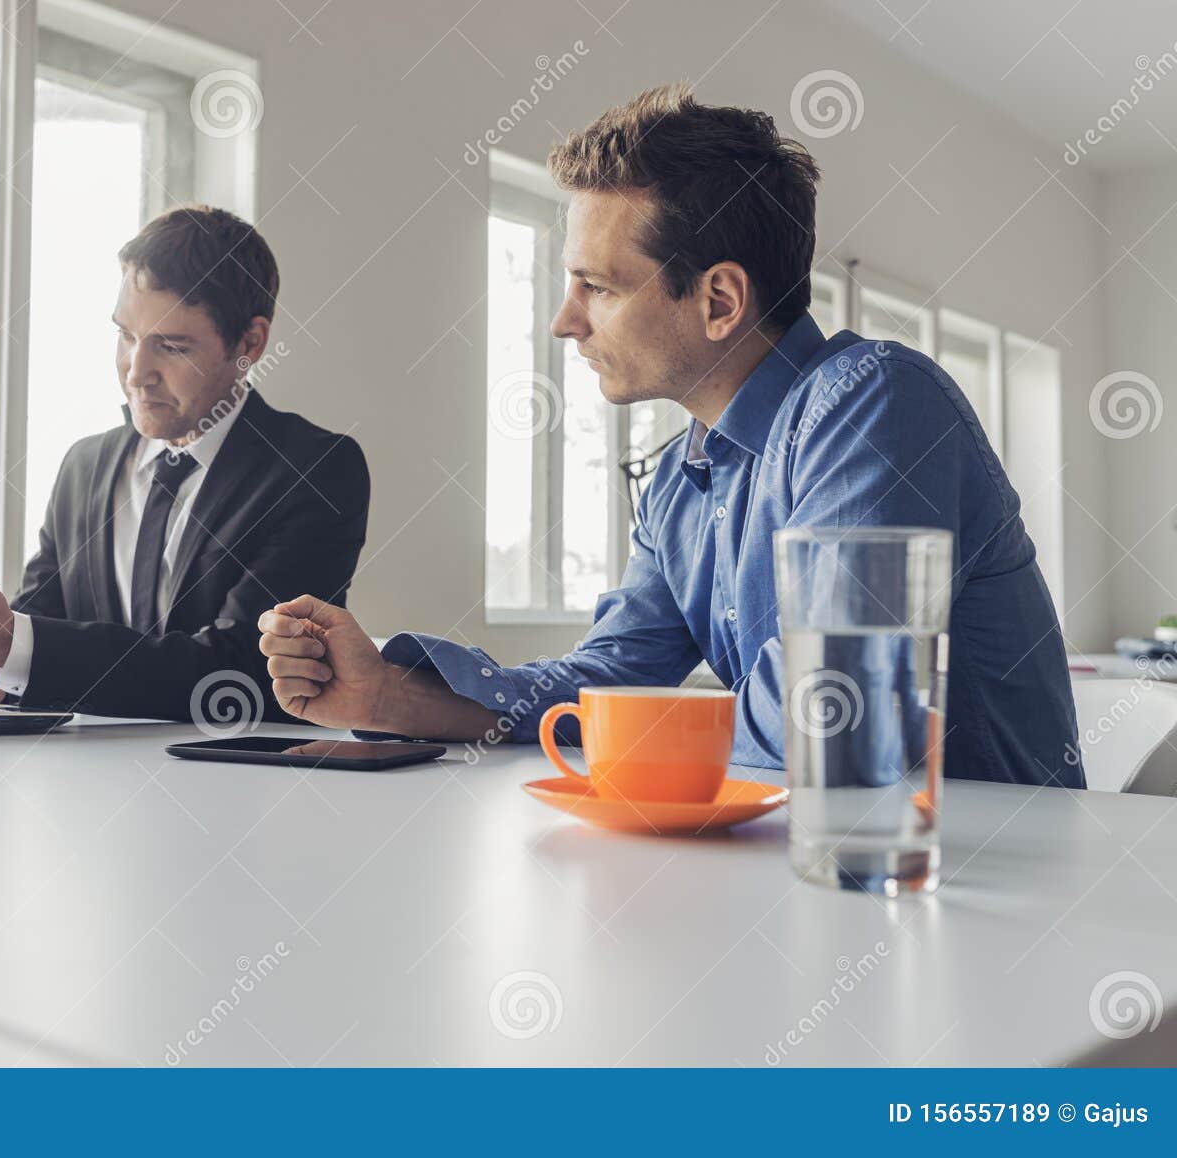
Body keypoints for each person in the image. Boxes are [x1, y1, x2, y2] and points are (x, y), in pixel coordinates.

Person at [257, 84, 1080, 787]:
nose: (563, 321)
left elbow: (828, 715)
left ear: (720, 300)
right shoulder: (682, 483)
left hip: (986, 887)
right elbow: (606, 683)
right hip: (814, 878)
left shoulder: (873, 404)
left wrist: (637, 737)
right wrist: (386, 698)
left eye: (597, 287)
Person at [0, 205, 370, 724]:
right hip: (84, 790)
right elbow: (42, 620)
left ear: (249, 342)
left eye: (172, 347)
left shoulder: (317, 469)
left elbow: (240, 673)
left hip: (235, 796)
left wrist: (9, 642)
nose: (136, 371)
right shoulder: (85, 466)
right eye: (126, 335)